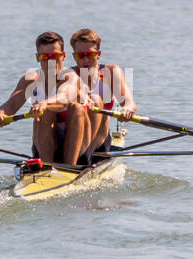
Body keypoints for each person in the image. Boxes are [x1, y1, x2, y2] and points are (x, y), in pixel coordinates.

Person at [57, 28, 136, 168]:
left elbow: (129, 102)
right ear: (74, 56)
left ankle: (79, 161)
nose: (86, 60)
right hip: (70, 138)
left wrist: (128, 109)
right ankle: (71, 163)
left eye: (90, 54)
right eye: (81, 55)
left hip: (98, 143)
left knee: (96, 99)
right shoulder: (67, 75)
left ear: (98, 54)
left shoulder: (111, 72)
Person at [0, 31, 72, 164]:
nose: (50, 61)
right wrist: (1, 114)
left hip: (74, 146)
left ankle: (68, 166)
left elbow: (63, 98)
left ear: (63, 56)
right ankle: (46, 169)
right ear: (37, 57)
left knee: (49, 110)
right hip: (45, 143)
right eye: (46, 57)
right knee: (44, 115)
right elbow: (12, 104)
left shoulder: (71, 77)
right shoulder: (31, 79)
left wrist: (44, 103)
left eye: (55, 56)